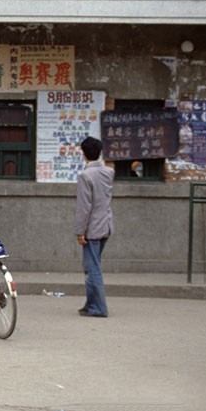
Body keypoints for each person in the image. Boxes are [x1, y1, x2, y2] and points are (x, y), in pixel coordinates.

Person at [75, 136, 114, 318]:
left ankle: (99, 308)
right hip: (106, 224)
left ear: (84, 153)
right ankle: (90, 305)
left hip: (92, 228)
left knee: (93, 269)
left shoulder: (85, 176)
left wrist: (80, 231)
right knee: (92, 266)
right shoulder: (109, 172)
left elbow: (84, 207)